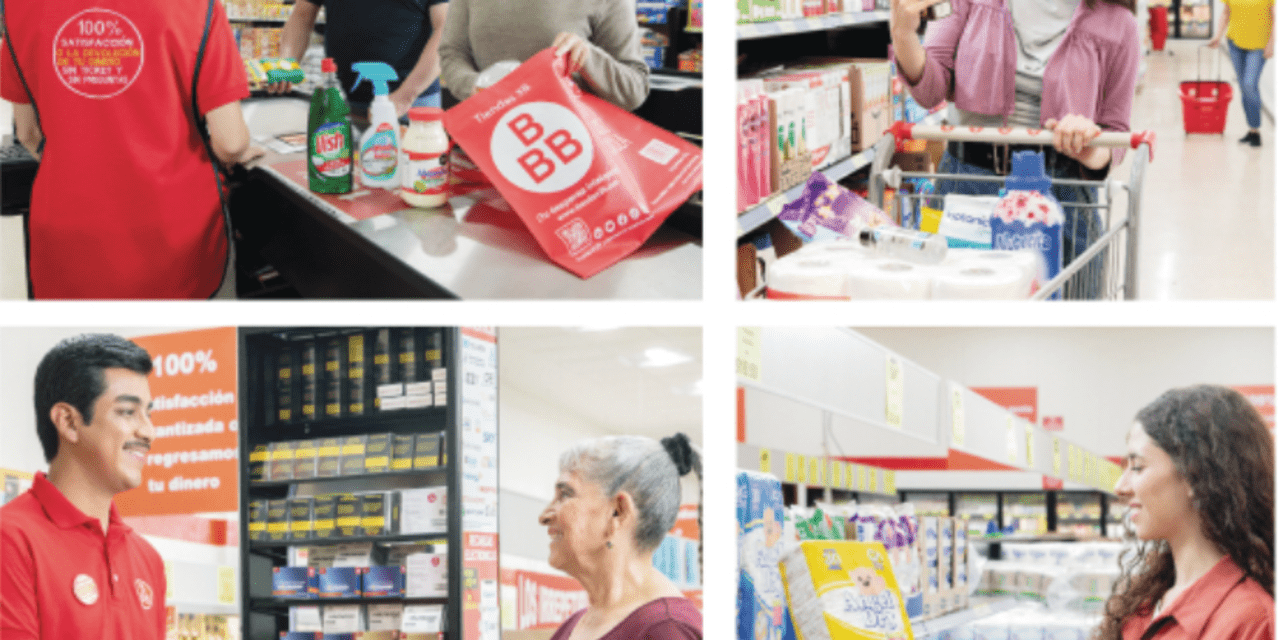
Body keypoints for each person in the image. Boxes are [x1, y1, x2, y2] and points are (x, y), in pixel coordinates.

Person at [1, 0, 260, 299]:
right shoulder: (198, 6)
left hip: (68, 242)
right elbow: (231, 142)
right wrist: (232, 155)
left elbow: (28, 132)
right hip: (178, 239)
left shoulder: (19, 7)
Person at [890, 0, 1140, 298]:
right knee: (961, 327)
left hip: (1063, 192)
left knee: (1065, 333)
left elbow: (1116, 133)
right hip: (968, 184)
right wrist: (903, 35)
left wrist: (1087, 143)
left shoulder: (1119, 23)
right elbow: (931, 90)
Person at [1, 335, 164, 639]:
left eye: (149, 413)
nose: (148, 431)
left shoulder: (147, 560)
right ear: (68, 422)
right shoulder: (10, 539)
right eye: (128, 412)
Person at [1098, 385, 1274, 639]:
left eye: (1137, 467)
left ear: (1194, 476)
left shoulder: (1250, 622)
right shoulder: (1142, 604)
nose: (1120, 487)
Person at [539, 433, 702, 640]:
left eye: (565, 494)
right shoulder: (573, 627)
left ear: (618, 511)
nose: (544, 516)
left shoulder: (667, 630)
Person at [438, 0, 650, 111]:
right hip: (487, 147)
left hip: (570, 156)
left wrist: (587, 57)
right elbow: (453, 52)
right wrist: (474, 86)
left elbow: (634, 89)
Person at [272, 0, 449, 118]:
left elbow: (446, 30)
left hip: (410, 103)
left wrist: (404, 97)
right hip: (341, 99)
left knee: (412, 171)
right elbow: (302, 15)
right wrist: (286, 65)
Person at [1208, 0, 1273, 147]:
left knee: (1250, 84)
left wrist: (1271, 44)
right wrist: (1218, 36)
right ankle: (1252, 131)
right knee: (1244, 87)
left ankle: (1255, 127)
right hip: (1235, 43)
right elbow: (1226, 13)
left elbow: (1275, 17)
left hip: (1259, 46)